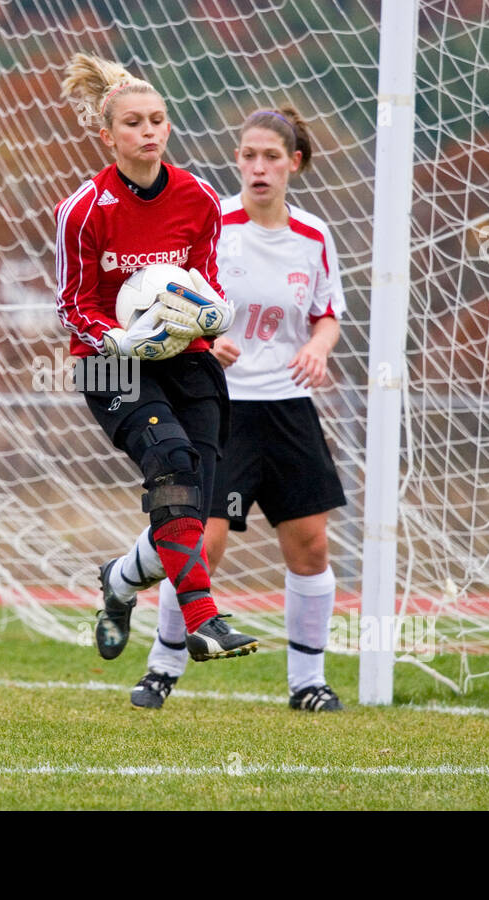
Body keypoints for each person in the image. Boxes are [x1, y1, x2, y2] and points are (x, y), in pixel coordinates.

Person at [130, 105, 348, 712]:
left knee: (310, 545)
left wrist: (318, 347)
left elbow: (326, 315)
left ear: (293, 164)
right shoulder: (213, 224)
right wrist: (204, 339)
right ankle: (163, 668)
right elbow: (168, 302)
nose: (258, 167)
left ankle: (308, 683)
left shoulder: (314, 236)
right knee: (202, 542)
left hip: (290, 409)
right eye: (248, 155)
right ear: (238, 161)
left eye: (271, 157)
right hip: (221, 405)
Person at [56, 53, 258, 663]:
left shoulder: (199, 198)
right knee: (169, 461)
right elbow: (71, 306)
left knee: (187, 504)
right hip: (109, 362)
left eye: (157, 120)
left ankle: (119, 582)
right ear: (107, 135)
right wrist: (116, 339)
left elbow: (208, 283)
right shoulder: (84, 209)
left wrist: (214, 315)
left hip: (187, 359)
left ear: (168, 129)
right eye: (133, 123)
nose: (148, 131)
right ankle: (203, 619)